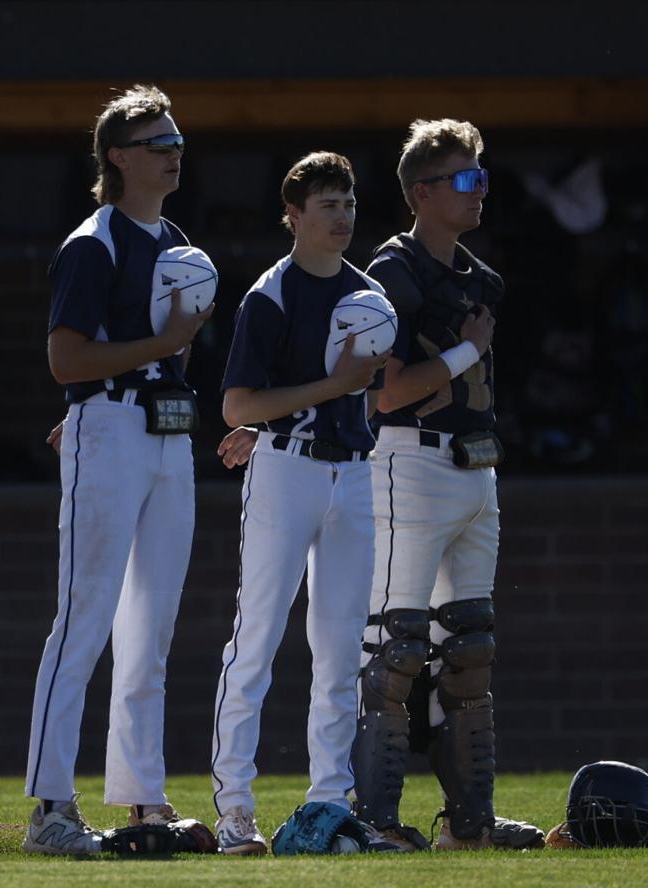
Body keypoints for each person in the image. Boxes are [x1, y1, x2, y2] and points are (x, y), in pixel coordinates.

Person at [23, 84, 213, 855]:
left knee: (151, 630)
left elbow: (175, 345)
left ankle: (141, 800)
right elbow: (64, 359)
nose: (173, 155)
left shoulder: (174, 239)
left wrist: (169, 349)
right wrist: (161, 347)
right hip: (109, 424)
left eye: (177, 143)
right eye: (157, 144)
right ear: (117, 157)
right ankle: (49, 810)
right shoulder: (92, 241)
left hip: (169, 434)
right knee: (84, 616)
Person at [351, 118, 544, 851]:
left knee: (470, 645)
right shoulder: (390, 273)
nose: (478, 192)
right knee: (394, 648)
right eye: (465, 180)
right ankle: (375, 821)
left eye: (482, 178)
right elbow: (386, 393)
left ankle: (471, 823)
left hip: (474, 466)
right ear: (420, 192)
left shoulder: (479, 277)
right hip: (410, 460)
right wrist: (467, 349)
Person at [210, 152, 390, 855]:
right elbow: (236, 404)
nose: (341, 216)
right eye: (326, 205)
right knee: (255, 640)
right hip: (286, 472)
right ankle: (234, 813)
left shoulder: (368, 294)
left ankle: (329, 804)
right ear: (292, 214)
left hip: (353, 472)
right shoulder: (270, 296)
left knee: (341, 649)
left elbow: (369, 392)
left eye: (347, 203)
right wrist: (327, 387)